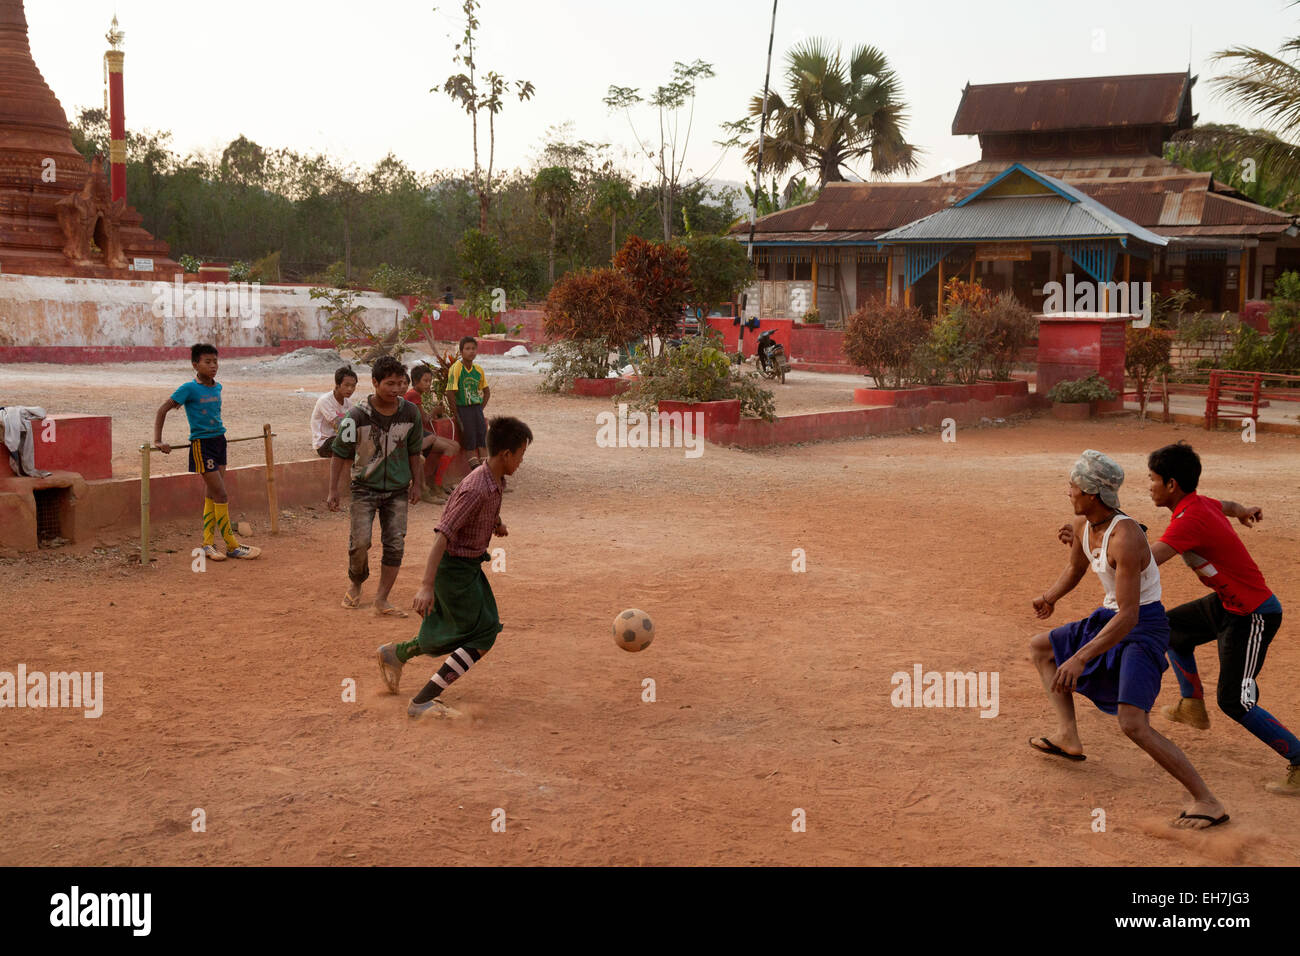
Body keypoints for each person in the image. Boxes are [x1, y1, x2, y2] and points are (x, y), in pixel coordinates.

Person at [1030, 450, 1227, 829]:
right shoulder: (1086, 525)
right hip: (1113, 616)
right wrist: (1050, 597)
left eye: (1073, 486)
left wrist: (1081, 657)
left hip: (1142, 626)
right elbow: (1076, 567)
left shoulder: (1126, 537)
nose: (1068, 491)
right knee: (1042, 647)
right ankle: (1068, 736)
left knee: (1133, 723)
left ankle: (1208, 800)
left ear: (1091, 493)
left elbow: (1130, 615)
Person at [1146, 441, 1299, 796]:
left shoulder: (1189, 520)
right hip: (1228, 605)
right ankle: (1192, 705)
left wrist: (1098, 546)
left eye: (1152, 479)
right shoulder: (1197, 504)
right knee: (1171, 630)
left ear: (1172, 484)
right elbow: (1227, 505)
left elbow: (1146, 562)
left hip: (1253, 614)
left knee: (1236, 701)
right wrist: (1242, 510)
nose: (1149, 485)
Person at [377, 416, 532, 718]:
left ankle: (396, 654)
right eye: (521, 455)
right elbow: (443, 534)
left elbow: (491, 508)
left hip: (469, 568)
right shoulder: (476, 488)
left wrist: (496, 523)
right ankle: (422, 700)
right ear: (506, 454)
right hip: (454, 570)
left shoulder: (495, 479)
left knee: (451, 631)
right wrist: (426, 585)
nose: (522, 461)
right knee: (483, 634)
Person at [327, 355, 423, 618]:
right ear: (375, 383)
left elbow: (415, 452)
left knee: (395, 543)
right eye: (389, 383)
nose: (396, 389)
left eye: (400, 383)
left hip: (398, 490)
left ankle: (382, 598)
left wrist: (418, 484)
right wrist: (333, 490)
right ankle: (356, 582)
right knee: (360, 542)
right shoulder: (356, 416)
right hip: (364, 488)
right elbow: (340, 453)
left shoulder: (410, 413)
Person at [152, 343, 260, 561]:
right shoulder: (188, 389)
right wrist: (158, 440)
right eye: (207, 362)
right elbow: (163, 409)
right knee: (221, 493)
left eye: (215, 361)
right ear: (195, 365)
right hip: (202, 445)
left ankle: (208, 544)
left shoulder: (217, 387)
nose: (213, 366)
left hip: (219, 441)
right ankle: (231, 544)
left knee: (212, 494)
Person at [405, 363, 459, 502]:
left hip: (419, 432)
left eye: (430, 381)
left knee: (454, 446)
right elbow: (425, 419)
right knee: (449, 447)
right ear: (416, 381)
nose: (428, 384)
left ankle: (437, 483)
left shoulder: (416, 394)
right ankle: (433, 486)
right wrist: (435, 411)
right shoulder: (413, 395)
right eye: (425, 381)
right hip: (414, 434)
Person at [446, 337, 490, 466]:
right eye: (467, 349)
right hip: (463, 409)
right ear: (461, 351)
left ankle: (486, 472)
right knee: (469, 442)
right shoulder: (456, 368)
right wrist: (457, 415)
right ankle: (477, 473)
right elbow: (450, 392)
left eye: (473, 348)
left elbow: (487, 392)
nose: (471, 351)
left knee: (482, 440)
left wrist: (480, 409)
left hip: (476, 409)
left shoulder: (478, 369)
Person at [310, 366, 358, 458]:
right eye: (346, 385)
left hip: (340, 439)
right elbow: (339, 426)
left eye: (353, 386)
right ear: (337, 385)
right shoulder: (325, 401)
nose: (350, 389)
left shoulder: (348, 402)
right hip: (324, 443)